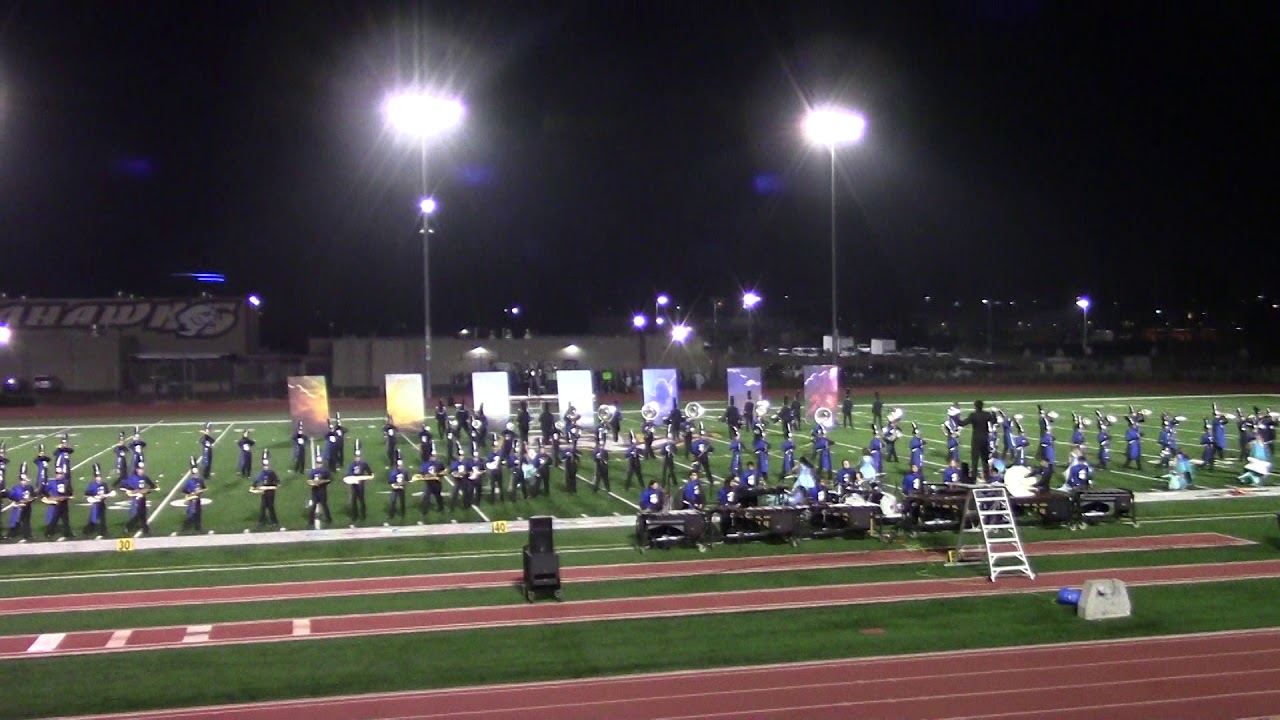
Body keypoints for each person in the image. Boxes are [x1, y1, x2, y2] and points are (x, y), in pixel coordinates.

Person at [958, 400, 994, 480]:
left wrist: (955, 417)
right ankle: (987, 477)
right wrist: (994, 413)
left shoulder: (973, 415)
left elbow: (962, 423)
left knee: (975, 459)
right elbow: (994, 421)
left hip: (976, 439)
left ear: (975, 406)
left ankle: (973, 477)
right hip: (985, 438)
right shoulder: (987, 414)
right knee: (985, 459)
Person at [41, 467, 74, 540]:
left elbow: (70, 492)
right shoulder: (52, 482)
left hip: (64, 502)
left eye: (60, 473)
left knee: (65, 519)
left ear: (62, 474)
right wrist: (50, 497)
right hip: (57, 503)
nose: (58, 475)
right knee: (54, 519)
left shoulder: (66, 482)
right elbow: (44, 491)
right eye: (57, 474)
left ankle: (68, 533)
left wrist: (66, 496)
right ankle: (48, 533)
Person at [6, 466, 35, 541]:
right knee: (16, 521)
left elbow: (33, 496)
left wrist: (29, 500)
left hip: (27, 507)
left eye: (25, 480)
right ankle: (11, 534)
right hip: (19, 507)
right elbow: (11, 496)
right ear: (20, 481)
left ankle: (27, 535)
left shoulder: (30, 487)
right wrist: (18, 502)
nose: (24, 481)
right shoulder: (16, 488)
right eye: (23, 480)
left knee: (26, 521)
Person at [83, 463, 111, 538]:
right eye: (97, 477)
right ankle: (87, 530)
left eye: (100, 477)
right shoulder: (92, 485)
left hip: (102, 504)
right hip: (95, 504)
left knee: (103, 518)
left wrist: (104, 497)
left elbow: (107, 493)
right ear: (95, 478)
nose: (99, 478)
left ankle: (103, 531)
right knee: (93, 518)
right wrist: (95, 498)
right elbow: (87, 494)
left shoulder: (104, 484)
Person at [253, 453, 280, 528]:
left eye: (266, 466)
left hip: (271, 493)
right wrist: (253, 486)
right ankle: (262, 521)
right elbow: (257, 480)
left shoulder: (271, 473)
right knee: (263, 506)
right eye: (264, 466)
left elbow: (277, 482)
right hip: (264, 492)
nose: (265, 467)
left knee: (270, 507)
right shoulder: (262, 473)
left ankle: (274, 522)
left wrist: (275, 485)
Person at [347, 443, 372, 523]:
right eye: (356, 457)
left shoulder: (363, 464)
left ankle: (363, 515)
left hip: (361, 485)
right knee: (354, 501)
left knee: (361, 501)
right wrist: (353, 479)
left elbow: (369, 472)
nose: (357, 458)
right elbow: (349, 473)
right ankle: (355, 515)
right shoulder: (352, 465)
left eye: (358, 457)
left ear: (360, 457)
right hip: (354, 485)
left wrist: (366, 478)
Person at [180, 459, 206, 534]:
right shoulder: (189, 482)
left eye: (196, 474)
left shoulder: (200, 481)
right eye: (194, 474)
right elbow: (184, 490)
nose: (196, 475)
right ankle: (186, 526)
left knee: (198, 513)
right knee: (191, 513)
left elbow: (204, 487)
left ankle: (198, 527)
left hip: (198, 499)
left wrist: (200, 491)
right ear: (192, 474)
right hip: (192, 500)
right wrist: (191, 493)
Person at [308, 453, 332, 527]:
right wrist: (313, 483)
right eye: (317, 463)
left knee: (324, 505)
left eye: (320, 463)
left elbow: (329, 480)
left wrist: (322, 482)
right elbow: (309, 481)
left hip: (322, 491)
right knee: (313, 506)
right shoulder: (313, 471)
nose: (319, 465)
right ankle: (311, 521)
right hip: (315, 491)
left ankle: (329, 519)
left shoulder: (325, 471)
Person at [386, 454, 408, 523]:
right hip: (395, 489)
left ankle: (403, 513)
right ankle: (391, 515)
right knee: (393, 501)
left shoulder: (405, 471)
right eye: (399, 466)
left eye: (401, 466)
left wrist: (403, 484)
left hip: (401, 489)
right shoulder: (393, 473)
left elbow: (407, 480)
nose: (400, 467)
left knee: (402, 502)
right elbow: (390, 482)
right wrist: (396, 485)